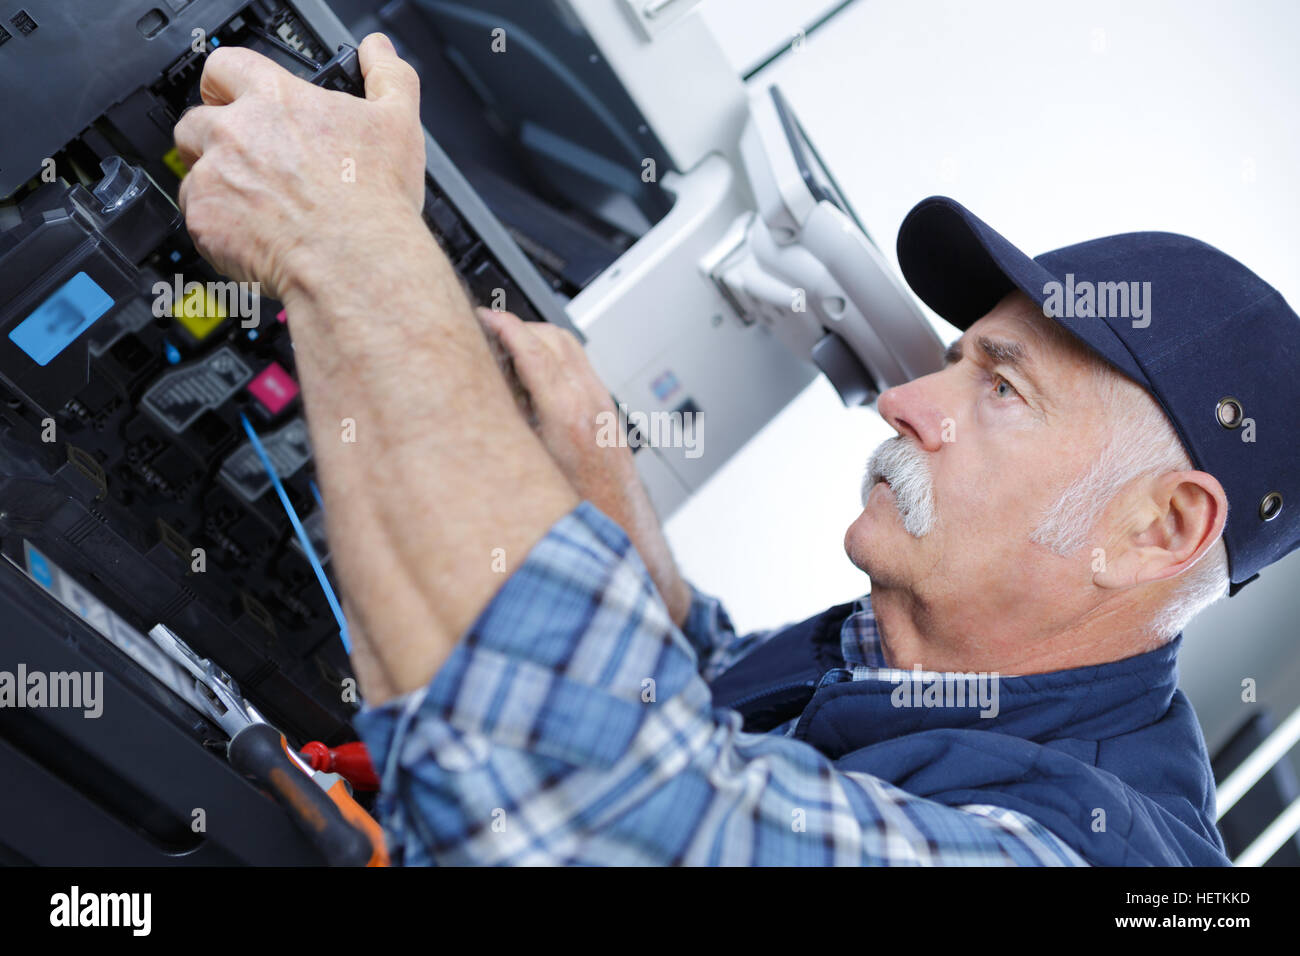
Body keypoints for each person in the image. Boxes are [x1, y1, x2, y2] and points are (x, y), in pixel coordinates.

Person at [174, 35, 1300, 865]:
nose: (906, 399)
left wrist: (347, 242)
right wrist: (611, 500)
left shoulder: (1096, 854)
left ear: (1157, 527)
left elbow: (608, 809)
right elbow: (718, 708)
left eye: (1000, 387)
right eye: (956, 359)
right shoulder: (916, 652)